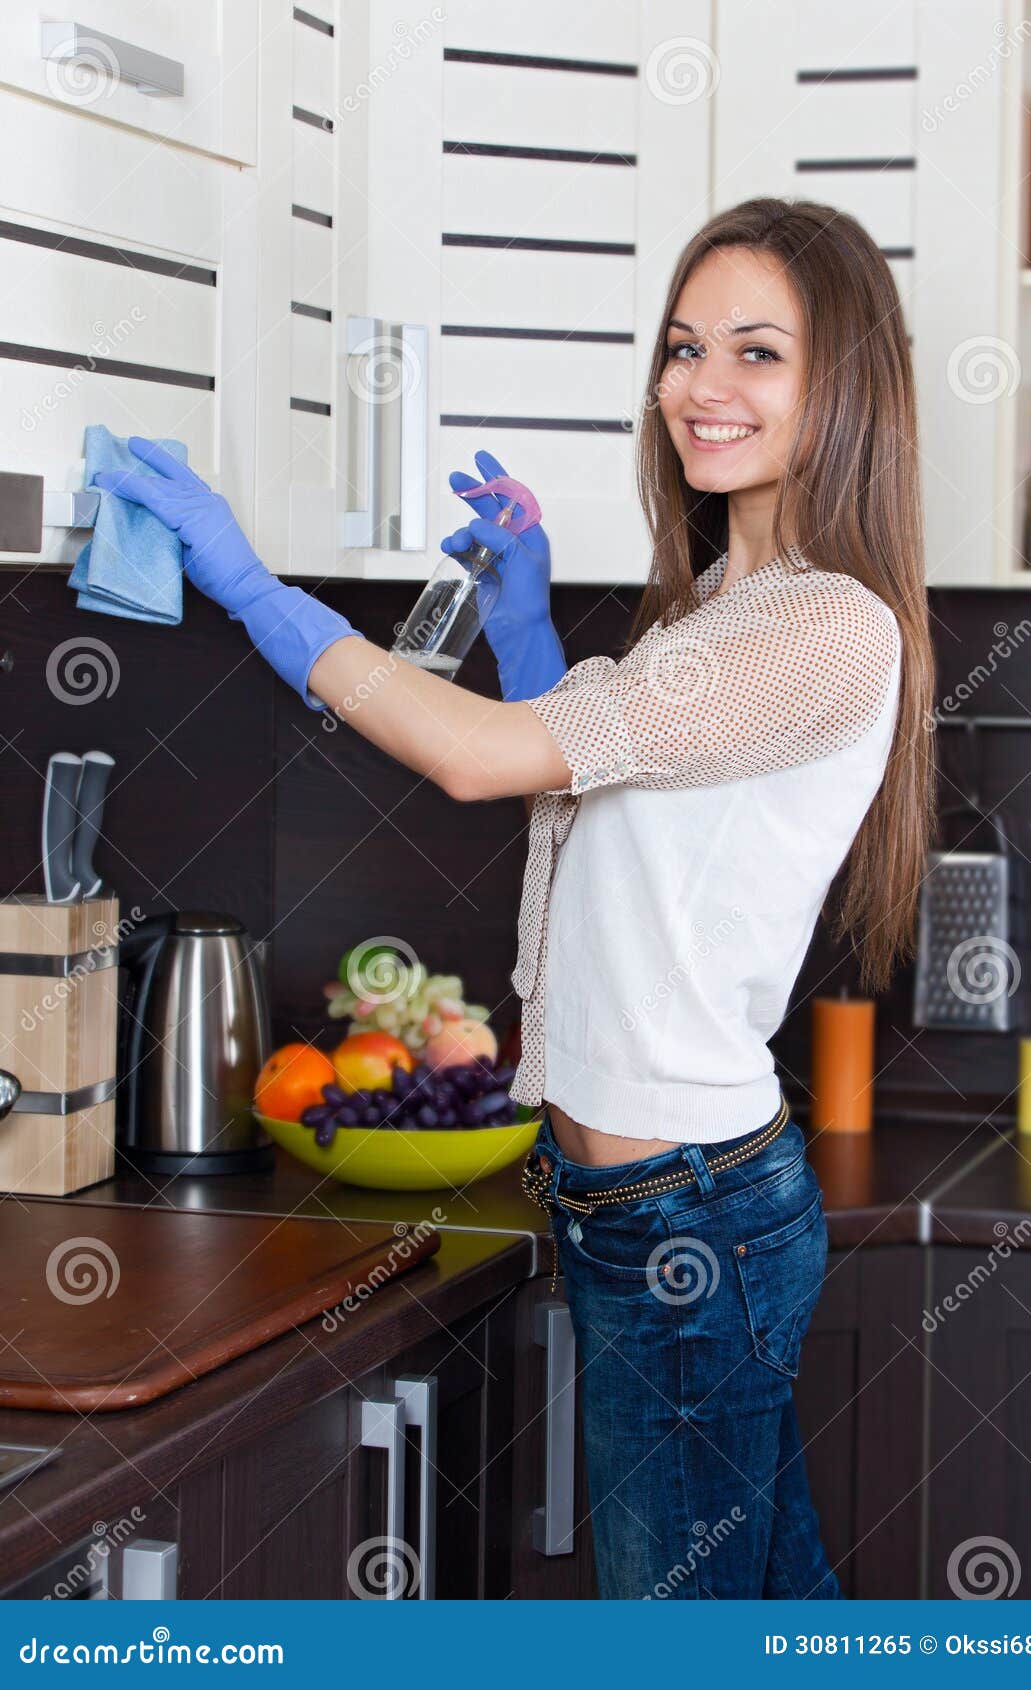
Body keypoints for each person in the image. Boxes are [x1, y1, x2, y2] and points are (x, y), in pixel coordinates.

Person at [96, 196, 936, 1600]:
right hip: (661, 1198)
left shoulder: (823, 623)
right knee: (768, 1608)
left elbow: (487, 758)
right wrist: (535, 621)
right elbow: (585, 789)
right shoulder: (731, 597)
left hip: (689, 1216)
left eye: (756, 353)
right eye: (682, 346)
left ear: (845, 380)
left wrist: (252, 587)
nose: (700, 387)